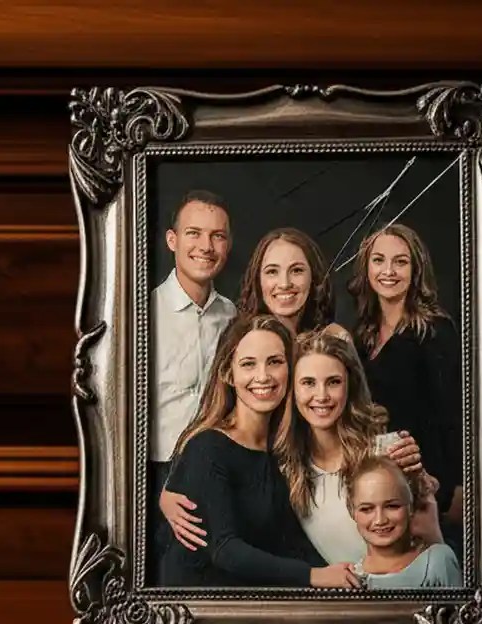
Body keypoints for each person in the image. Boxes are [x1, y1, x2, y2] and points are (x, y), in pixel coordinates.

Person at [159, 329, 441, 566]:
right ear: (291, 390)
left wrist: (423, 483)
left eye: (333, 382)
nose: (322, 396)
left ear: (349, 386)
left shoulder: (383, 451)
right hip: (328, 608)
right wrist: (169, 492)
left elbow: (433, 548)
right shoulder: (283, 462)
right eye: (308, 383)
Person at [156, 314, 361, 589]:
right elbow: (226, 550)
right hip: (199, 615)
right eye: (248, 364)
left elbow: (293, 542)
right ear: (228, 374)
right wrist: (316, 576)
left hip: (257, 611)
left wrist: (347, 577)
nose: (262, 376)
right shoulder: (207, 447)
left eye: (275, 362)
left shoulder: (282, 451)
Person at [346, 223, 463, 521]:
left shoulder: (435, 330)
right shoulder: (363, 335)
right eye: (379, 260)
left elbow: (453, 415)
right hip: (381, 477)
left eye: (400, 261)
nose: (389, 271)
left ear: (416, 270)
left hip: (428, 480)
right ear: (367, 267)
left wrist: (449, 487)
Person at [148, 190, 238, 514]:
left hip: (218, 470)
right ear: (172, 240)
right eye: (194, 233)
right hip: (154, 474)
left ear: (228, 245)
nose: (206, 247)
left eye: (217, 236)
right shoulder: (143, 313)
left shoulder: (233, 317)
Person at [346, 455, 462, 589]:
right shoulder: (349, 579)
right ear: (351, 510)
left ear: (411, 507)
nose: (380, 520)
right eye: (366, 509)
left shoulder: (439, 561)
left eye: (392, 506)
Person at [236, 227, 351, 342]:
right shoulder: (242, 342)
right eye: (272, 272)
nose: (285, 284)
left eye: (296, 270)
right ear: (258, 280)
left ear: (314, 276)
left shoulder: (334, 339)